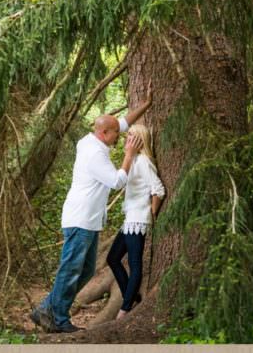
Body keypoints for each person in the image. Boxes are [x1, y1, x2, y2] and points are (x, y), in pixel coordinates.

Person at [30, 97, 154, 333]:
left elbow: (119, 124)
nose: (120, 137)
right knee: (71, 268)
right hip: (81, 219)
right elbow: (117, 182)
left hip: (89, 220)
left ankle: (46, 309)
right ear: (105, 133)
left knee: (85, 270)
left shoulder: (91, 140)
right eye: (116, 134)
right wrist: (128, 154)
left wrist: (144, 106)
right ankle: (59, 318)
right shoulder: (94, 155)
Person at [106, 123, 165, 320]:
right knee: (112, 259)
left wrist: (152, 213)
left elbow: (158, 189)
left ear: (139, 140)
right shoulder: (134, 160)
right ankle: (130, 298)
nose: (126, 139)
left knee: (134, 264)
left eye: (130, 136)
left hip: (138, 220)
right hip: (130, 220)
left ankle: (124, 310)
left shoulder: (143, 162)